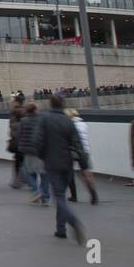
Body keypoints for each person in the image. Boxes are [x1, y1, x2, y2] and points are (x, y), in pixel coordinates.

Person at [35, 95, 87, 242]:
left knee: (58, 197)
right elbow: (78, 144)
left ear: (51, 104)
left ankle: (73, 221)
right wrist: (84, 164)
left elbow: (38, 141)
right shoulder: (68, 121)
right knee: (61, 196)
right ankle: (60, 229)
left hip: (52, 163)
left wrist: (42, 155)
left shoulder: (44, 119)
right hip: (68, 163)